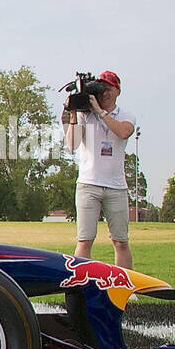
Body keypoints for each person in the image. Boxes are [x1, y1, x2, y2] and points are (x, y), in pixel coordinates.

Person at [63, 70, 136, 269]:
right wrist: (73, 113)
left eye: (108, 88)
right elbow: (71, 144)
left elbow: (123, 132)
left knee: (120, 241)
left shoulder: (126, 116)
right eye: (100, 88)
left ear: (117, 91)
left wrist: (100, 112)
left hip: (116, 186)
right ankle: (81, 288)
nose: (104, 93)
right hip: (88, 184)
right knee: (84, 240)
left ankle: (125, 287)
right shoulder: (85, 116)